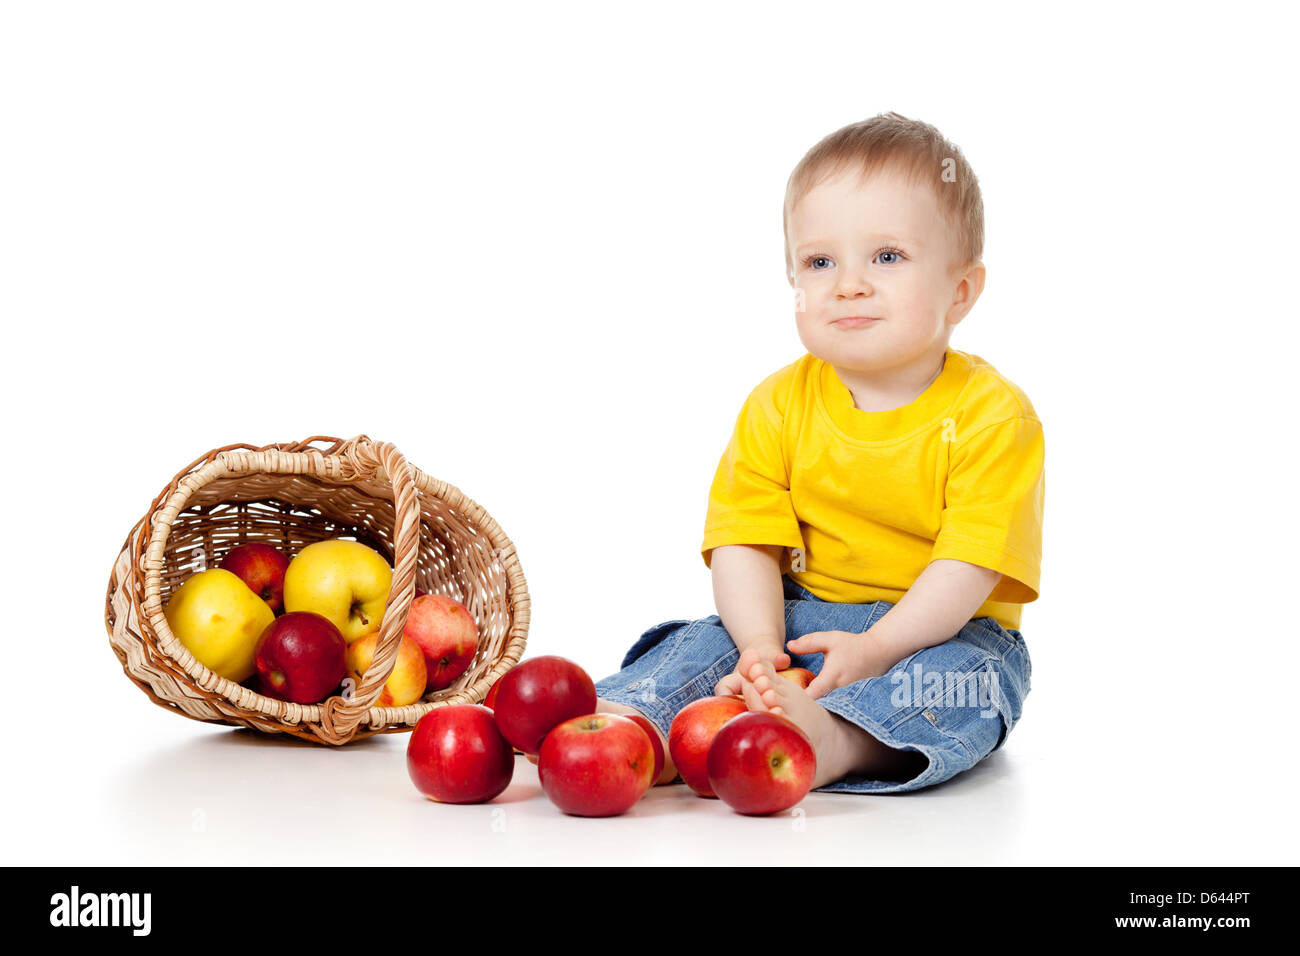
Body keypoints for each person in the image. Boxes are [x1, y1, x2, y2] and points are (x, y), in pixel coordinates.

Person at [595, 111, 1042, 794]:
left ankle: (840, 741)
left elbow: (968, 565)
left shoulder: (989, 414)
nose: (849, 284)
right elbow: (745, 543)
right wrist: (758, 648)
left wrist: (878, 649)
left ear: (961, 291)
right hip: (797, 618)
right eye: (820, 261)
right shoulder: (777, 403)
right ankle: (630, 730)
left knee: (965, 684)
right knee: (701, 640)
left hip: (939, 631)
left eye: (886, 257)